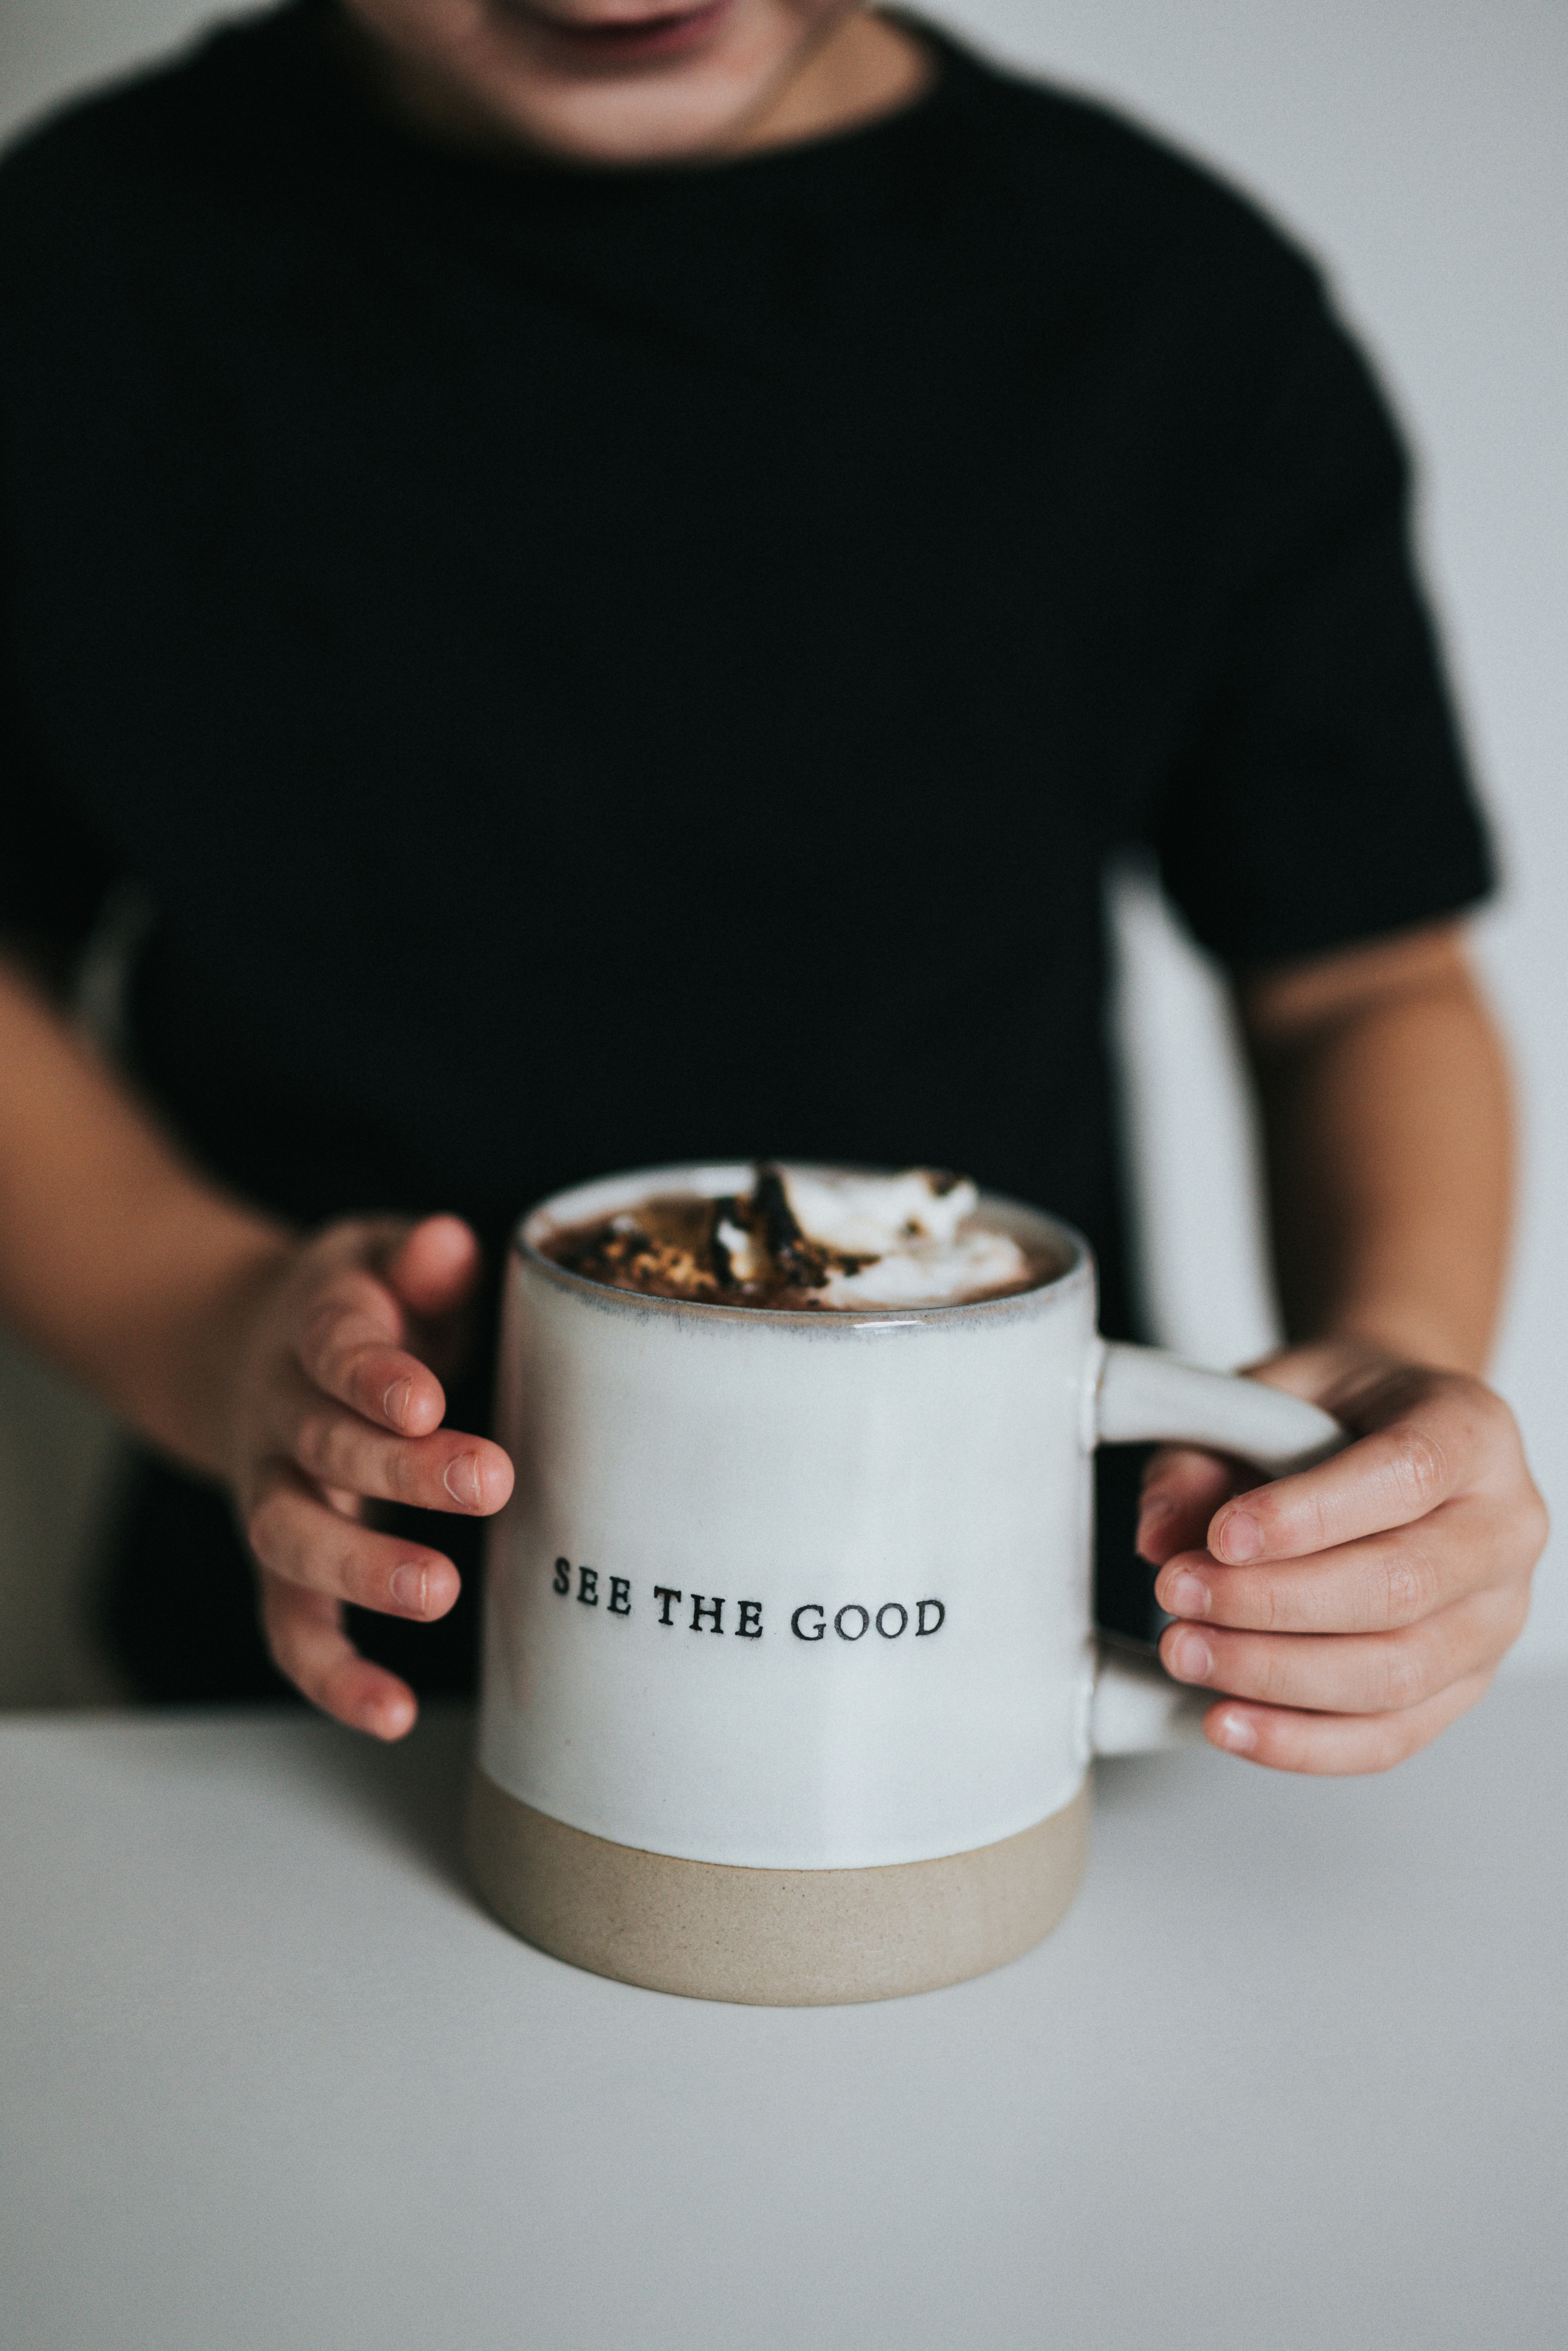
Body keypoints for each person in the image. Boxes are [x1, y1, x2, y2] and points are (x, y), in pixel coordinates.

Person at [0, 0, 1545, 1771]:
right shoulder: (78, 275)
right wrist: (203, 1329)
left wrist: (1385, 1409)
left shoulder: (1163, 304)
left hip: (1009, 1664)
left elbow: (1358, 981)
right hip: (297, 1698)